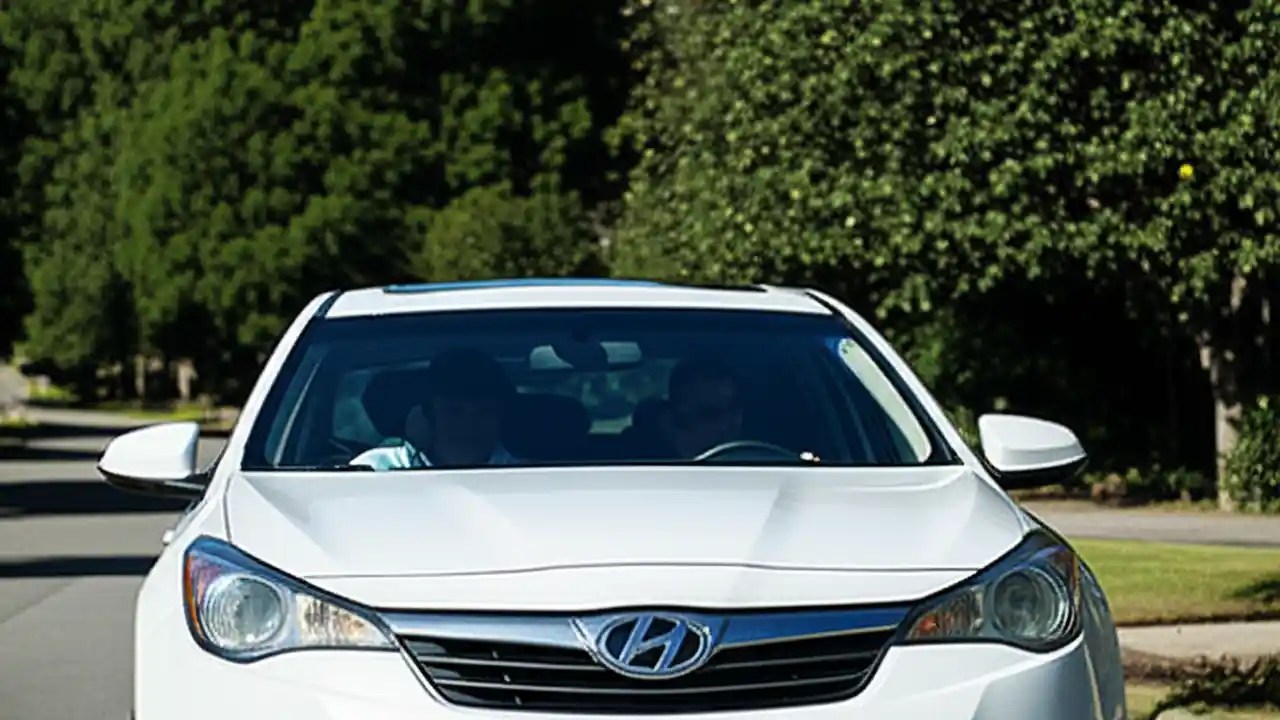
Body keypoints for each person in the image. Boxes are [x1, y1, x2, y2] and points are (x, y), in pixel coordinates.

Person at [351, 349, 517, 469]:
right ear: (429, 414)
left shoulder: (528, 478)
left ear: (502, 418)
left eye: (485, 412)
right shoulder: (375, 469)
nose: (469, 425)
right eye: (455, 411)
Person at [660, 357, 745, 458]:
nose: (724, 426)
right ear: (671, 423)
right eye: (709, 415)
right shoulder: (647, 471)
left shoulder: (762, 467)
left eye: (733, 411)